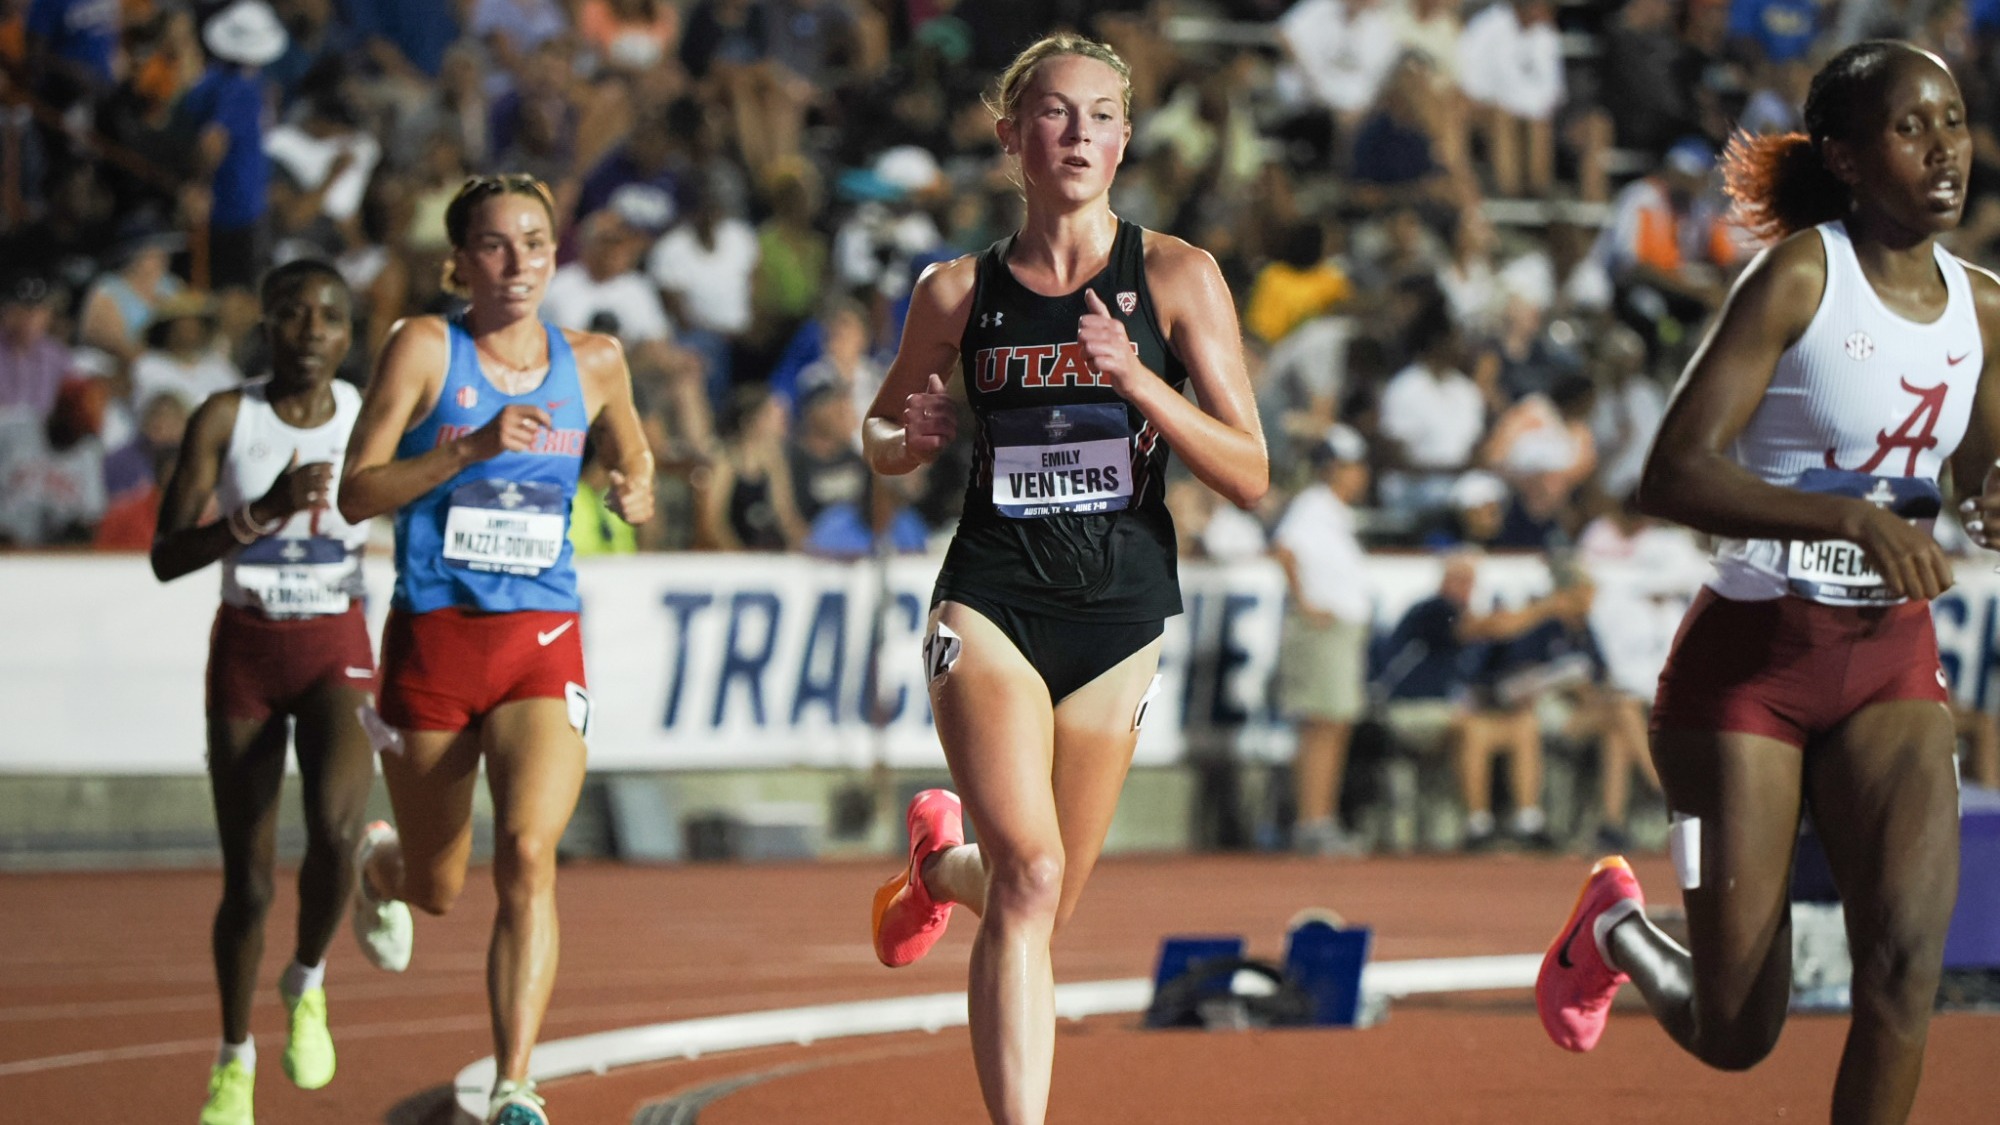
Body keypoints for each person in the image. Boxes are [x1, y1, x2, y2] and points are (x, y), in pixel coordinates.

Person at [1536, 42, 2000, 1125]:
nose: (1943, 152)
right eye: (1909, 128)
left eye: (1954, 124)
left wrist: (1988, 500)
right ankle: (1610, 928)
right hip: (1746, 674)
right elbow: (1669, 471)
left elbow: (1975, 477)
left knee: (1900, 975)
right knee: (1738, 1029)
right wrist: (1837, 513)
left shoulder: (1983, 310)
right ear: (1841, 157)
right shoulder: (1800, 275)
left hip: (1888, 662)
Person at [861, 34, 1267, 1125]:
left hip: (1120, 615)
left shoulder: (1177, 276)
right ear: (1010, 138)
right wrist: (912, 437)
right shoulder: (956, 291)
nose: (1077, 133)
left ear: (1124, 139)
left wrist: (1140, 382)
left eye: (1098, 115)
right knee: (1032, 881)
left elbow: (1248, 470)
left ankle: (937, 867)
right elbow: (879, 430)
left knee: (1032, 896)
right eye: (1052, 112)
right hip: (992, 595)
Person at [336, 174, 654, 1125]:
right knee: (438, 887)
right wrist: (464, 452)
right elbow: (357, 492)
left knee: (526, 851)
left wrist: (633, 492)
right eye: (495, 245)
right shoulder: (427, 348)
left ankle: (517, 1083)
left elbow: (633, 457)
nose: (518, 263)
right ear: (460, 260)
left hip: (540, 640)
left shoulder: (594, 359)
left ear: (557, 254)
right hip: (435, 641)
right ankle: (382, 865)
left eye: (535, 242)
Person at [149, 260, 378, 1125]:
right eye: (293, 315)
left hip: (336, 643)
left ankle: (308, 978)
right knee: (246, 883)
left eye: (330, 317)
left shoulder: (365, 412)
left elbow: (420, 486)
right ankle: (232, 1058)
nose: (312, 332)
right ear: (267, 327)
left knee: (337, 829)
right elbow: (167, 556)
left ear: (349, 333)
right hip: (246, 648)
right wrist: (263, 511)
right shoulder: (226, 416)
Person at [1272, 423, 1373, 855]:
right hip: (1322, 631)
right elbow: (1285, 548)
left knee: (1332, 724)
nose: (1359, 475)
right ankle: (1313, 821)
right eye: (1351, 466)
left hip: (1335, 630)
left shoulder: (1330, 510)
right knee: (1321, 725)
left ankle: (1320, 819)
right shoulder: (1313, 505)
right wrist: (1305, 604)